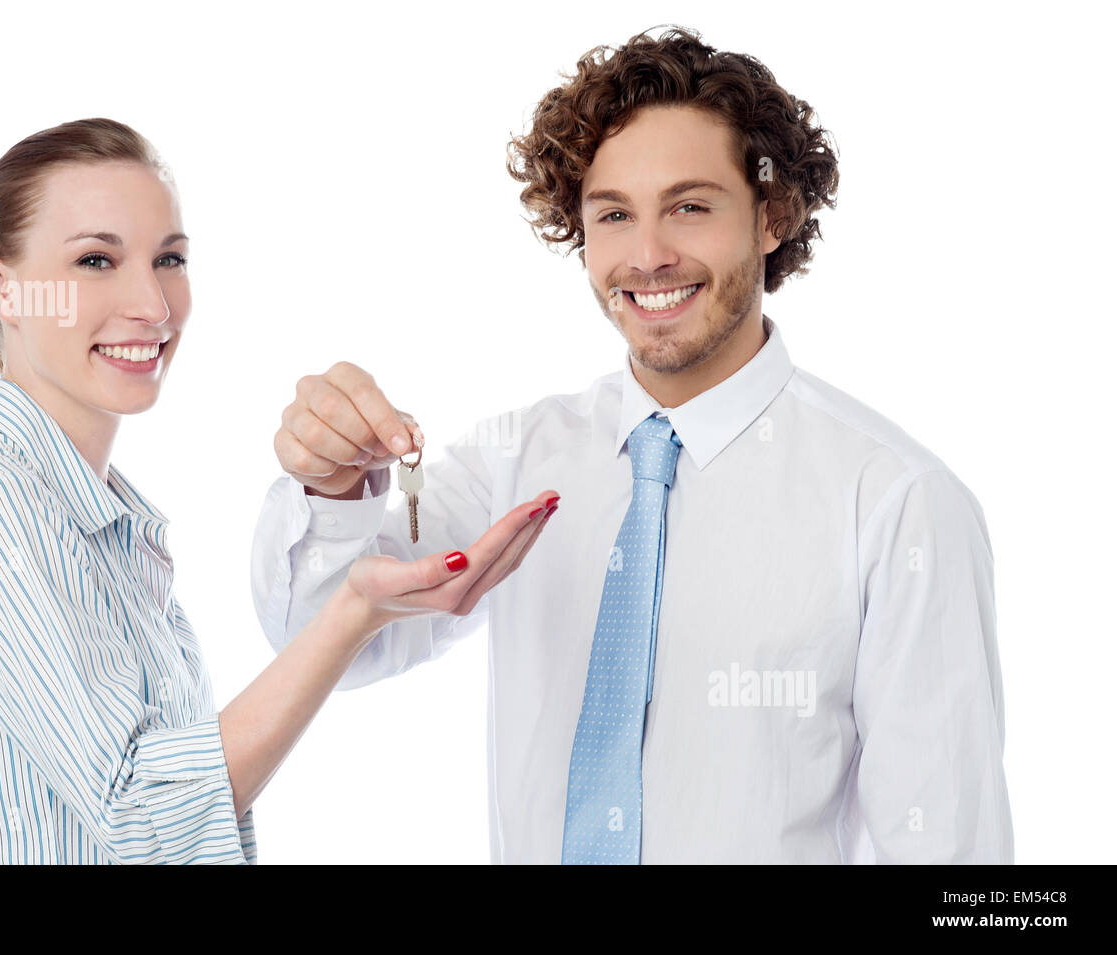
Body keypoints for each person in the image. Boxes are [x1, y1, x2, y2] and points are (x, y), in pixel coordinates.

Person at [251, 26, 1013, 863]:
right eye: (614, 214)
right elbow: (329, 643)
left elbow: (951, 854)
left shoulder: (898, 504)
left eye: (690, 205)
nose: (648, 256)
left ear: (771, 214)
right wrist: (329, 493)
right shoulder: (513, 461)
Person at [0, 117, 558, 864]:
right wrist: (352, 614)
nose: (153, 303)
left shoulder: (92, 517)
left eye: (169, 258)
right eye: (96, 260)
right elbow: (147, 819)